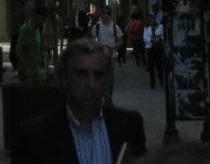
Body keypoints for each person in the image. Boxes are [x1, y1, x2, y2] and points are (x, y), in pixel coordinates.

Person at [14, 38, 147, 163]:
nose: (91, 84)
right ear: (64, 79)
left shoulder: (129, 125)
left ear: (106, 80)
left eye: (98, 75)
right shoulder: (34, 136)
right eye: (82, 74)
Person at [91, 8, 125, 93]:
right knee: (100, 76)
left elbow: (120, 41)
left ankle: (108, 96)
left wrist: (114, 46)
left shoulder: (115, 27)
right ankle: (101, 93)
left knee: (110, 77)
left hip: (111, 56)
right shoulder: (97, 27)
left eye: (107, 16)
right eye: (103, 16)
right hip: (100, 56)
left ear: (110, 16)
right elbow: (92, 40)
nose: (105, 17)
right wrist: (97, 47)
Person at [145, 14, 166, 89]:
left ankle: (161, 78)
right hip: (150, 48)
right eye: (149, 20)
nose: (151, 21)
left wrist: (159, 38)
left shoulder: (160, 27)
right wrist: (152, 39)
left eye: (152, 20)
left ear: (154, 20)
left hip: (158, 48)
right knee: (151, 66)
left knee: (159, 65)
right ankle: (152, 82)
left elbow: (164, 35)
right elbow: (145, 37)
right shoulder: (147, 28)